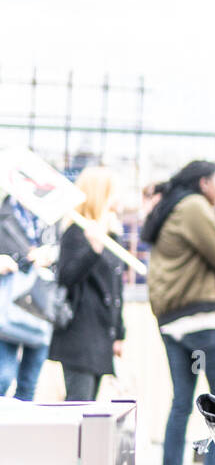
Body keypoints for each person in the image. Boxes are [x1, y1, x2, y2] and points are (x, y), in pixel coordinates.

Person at [142, 160, 215, 465]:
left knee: (181, 402)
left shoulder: (171, 208)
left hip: (172, 321)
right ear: (204, 183)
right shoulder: (195, 206)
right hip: (203, 317)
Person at [48, 168, 126, 401]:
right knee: (79, 406)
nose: (119, 199)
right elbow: (66, 277)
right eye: (114, 192)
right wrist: (92, 250)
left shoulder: (112, 234)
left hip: (102, 335)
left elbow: (115, 288)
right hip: (80, 335)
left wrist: (119, 333)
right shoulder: (76, 231)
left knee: (90, 409)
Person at [0, 195, 59, 399]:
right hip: (8, 307)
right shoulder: (4, 213)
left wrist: (52, 255)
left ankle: (19, 430)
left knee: (29, 383)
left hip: (41, 307)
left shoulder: (52, 219)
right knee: (3, 378)